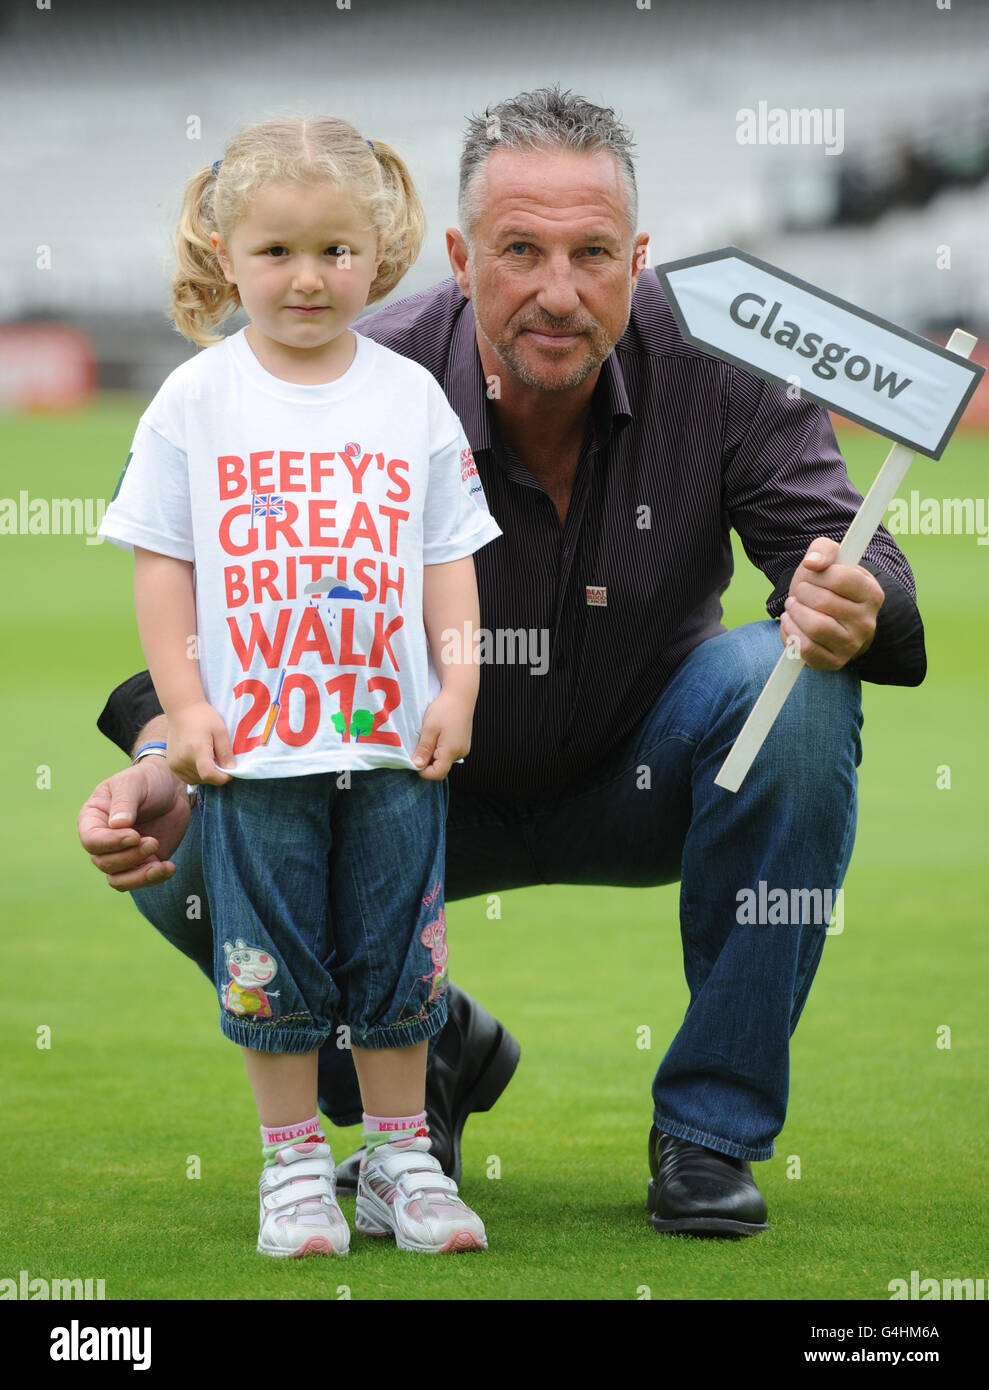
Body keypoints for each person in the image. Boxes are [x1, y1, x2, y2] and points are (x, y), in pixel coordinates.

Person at [81, 87, 926, 1239]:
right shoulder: (346, 371)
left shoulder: (723, 360)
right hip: (403, 784)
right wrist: (158, 746)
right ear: (458, 256)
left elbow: (850, 543)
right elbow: (209, 594)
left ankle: (708, 1131)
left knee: (799, 691)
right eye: (519, 252)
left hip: (648, 769)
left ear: (637, 258)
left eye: (590, 254)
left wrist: (858, 603)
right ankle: (427, 1062)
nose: (556, 291)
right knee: (188, 862)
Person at [96, 114, 505, 1257]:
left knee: (396, 954)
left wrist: (457, 690)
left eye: (335, 248)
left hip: (386, 745)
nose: (307, 276)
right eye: (276, 251)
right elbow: (164, 570)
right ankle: (291, 1168)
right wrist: (181, 706)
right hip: (253, 750)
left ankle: (397, 1158)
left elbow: (447, 563)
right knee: (267, 958)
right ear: (225, 254)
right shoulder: (195, 399)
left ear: (379, 253)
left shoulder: (410, 396)